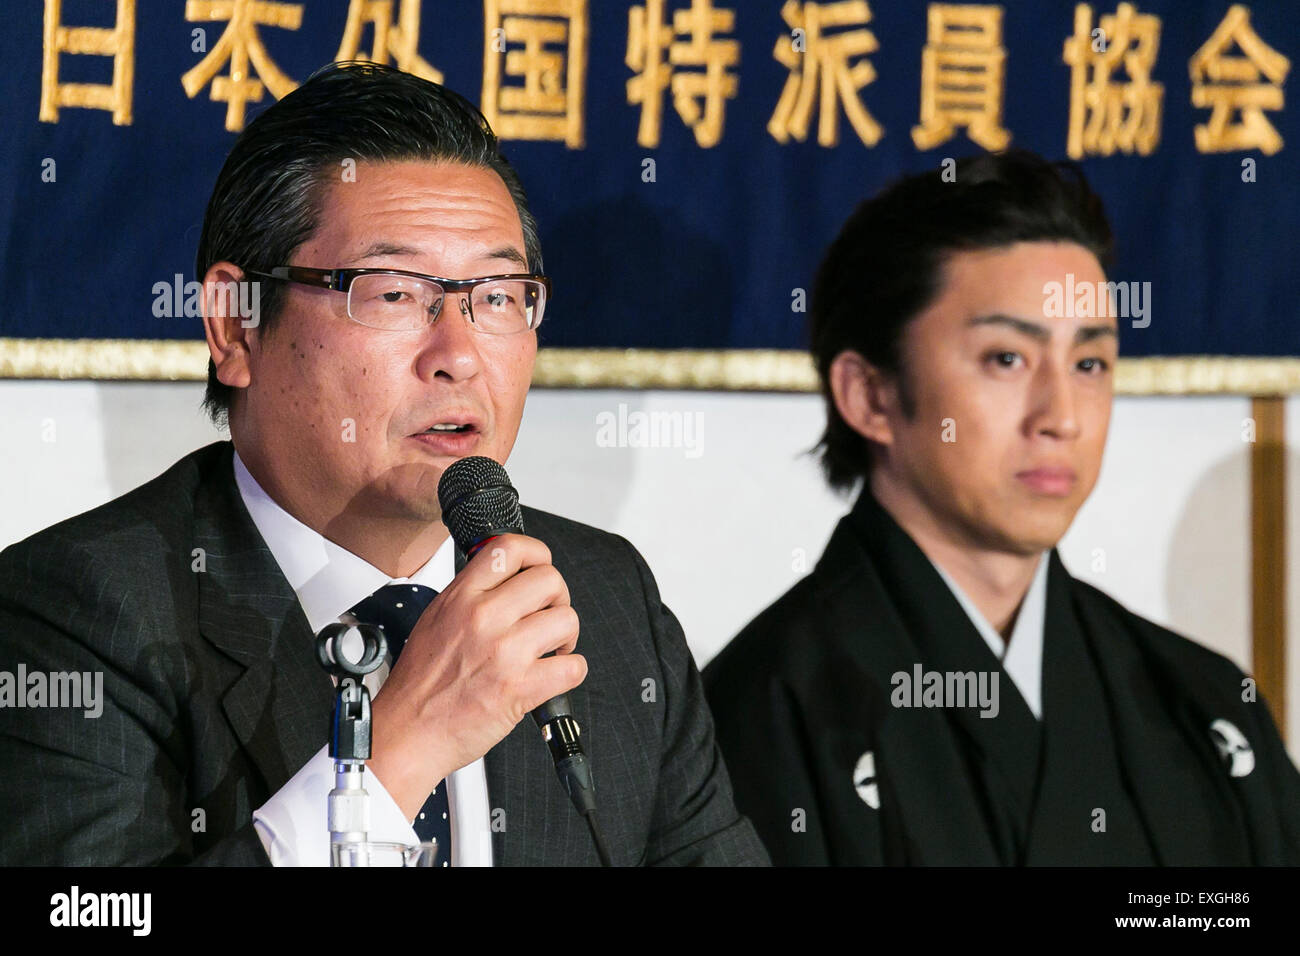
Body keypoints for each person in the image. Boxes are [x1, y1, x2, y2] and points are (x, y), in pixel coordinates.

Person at [0, 62, 766, 867]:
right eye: (394, 293)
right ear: (235, 325)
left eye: (498, 297)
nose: (459, 356)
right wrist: (397, 759)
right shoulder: (74, 617)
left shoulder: (602, 602)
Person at [703, 150, 1300, 866]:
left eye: (1089, 364)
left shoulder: (1203, 706)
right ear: (870, 394)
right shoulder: (761, 712)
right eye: (1007, 360)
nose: (1062, 417)